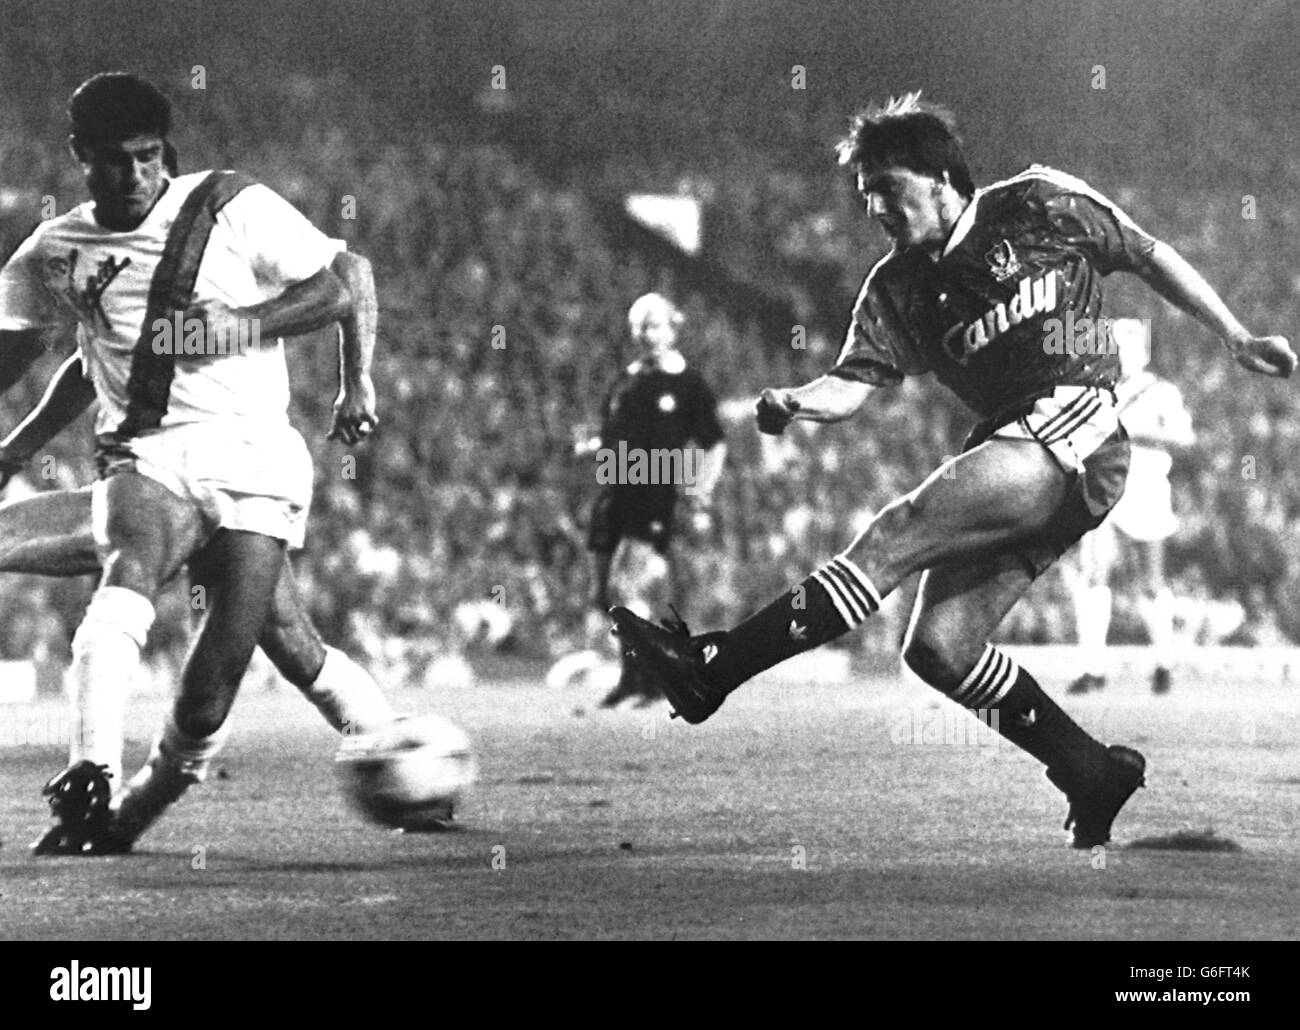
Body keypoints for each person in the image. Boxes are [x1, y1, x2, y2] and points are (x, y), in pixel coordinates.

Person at [611, 93, 1294, 848]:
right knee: (938, 649)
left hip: (1079, 419)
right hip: (1015, 442)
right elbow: (851, 387)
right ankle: (1090, 769)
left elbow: (1146, 252)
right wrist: (796, 402)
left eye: (886, 188)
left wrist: (1234, 336)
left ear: (939, 176)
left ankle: (716, 666)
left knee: (899, 528)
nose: (874, 208)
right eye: (866, 194)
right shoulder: (895, 287)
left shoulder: (1039, 203)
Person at [0, 71, 383, 854]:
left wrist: (265, 336)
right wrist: (16, 447)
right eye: (114, 161)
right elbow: (80, 357)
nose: (136, 176)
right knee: (129, 559)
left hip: (252, 457)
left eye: (147, 157)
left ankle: (383, 741)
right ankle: (89, 774)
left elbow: (345, 283)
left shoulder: (230, 206)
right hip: (146, 452)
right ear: (80, 155)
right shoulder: (56, 252)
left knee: (240, 671)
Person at [578, 292, 725, 708]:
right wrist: (594, 446)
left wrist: (702, 490)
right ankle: (633, 678)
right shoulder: (627, 378)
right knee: (603, 594)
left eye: (656, 325)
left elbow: (713, 444)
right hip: (614, 490)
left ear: (673, 328)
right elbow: (616, 434)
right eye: (641, 326)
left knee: (628, 585)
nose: (648, 334)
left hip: (653, 488)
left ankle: (654, 678)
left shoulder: (687, 383)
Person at [1063, 317, 1194, 696]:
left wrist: (1132, 432)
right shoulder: (1097, 391)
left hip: (1148, 485)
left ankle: (1164, 663)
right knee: (1094, 574)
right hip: (1104, 483)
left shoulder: (1161, 391)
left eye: (1129, 346)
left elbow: (1185, 438)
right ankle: (1092, 668)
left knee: (1151, 582)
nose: (1121, 354)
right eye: (1116, 346)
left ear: (1142, 351)